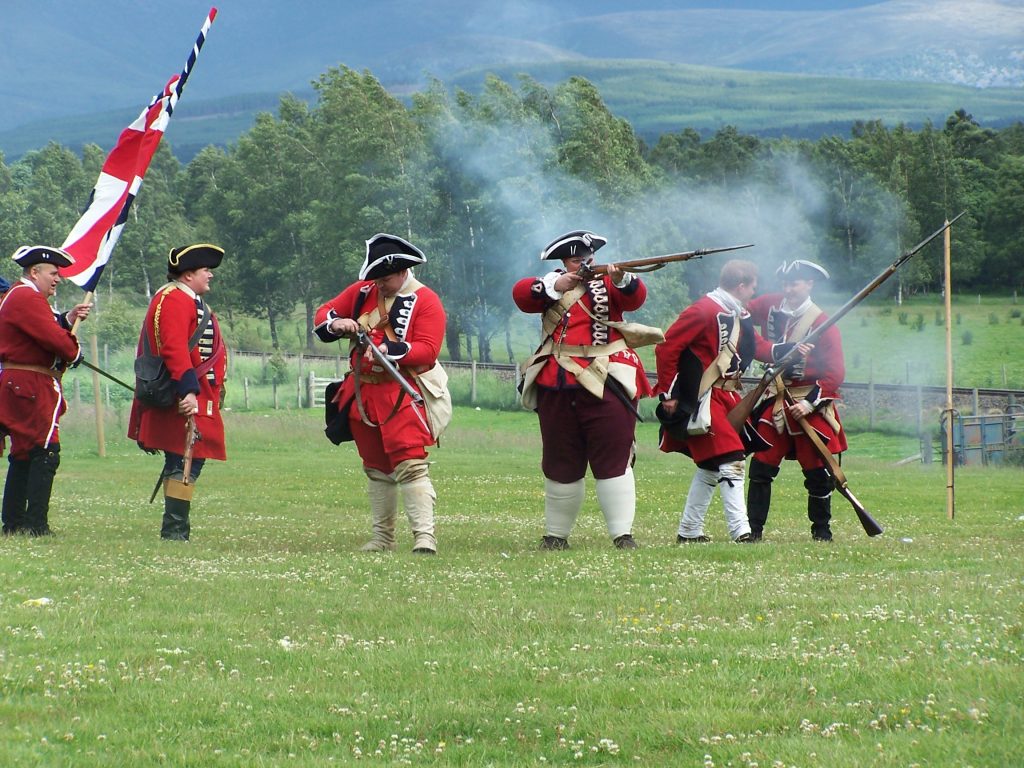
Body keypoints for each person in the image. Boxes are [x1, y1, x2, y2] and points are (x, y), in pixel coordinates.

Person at [513, 230, 657, 550]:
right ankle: (556, 535)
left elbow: (635, 297)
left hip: (607, 377)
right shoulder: (551, 284)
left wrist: (622, 280)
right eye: (577, 260)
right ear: (564, 262)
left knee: (613, 457)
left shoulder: (609, 281)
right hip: (558, 381)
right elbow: (523, 295)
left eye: (587, 259)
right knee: (560, 460)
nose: (584, 264)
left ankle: (623, 535)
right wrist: (558, 284)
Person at [314, 233, 447, 554]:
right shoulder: (363, 292)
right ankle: (383, 538)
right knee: (375, 468)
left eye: (385, 279)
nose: (380, 285)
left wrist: (389, 350)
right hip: (362, 393)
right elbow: (324, 314)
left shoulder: (426, 300)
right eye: (377, 279)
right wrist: (338, 324)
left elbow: (427, 351)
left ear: (403, 272)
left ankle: (424, 537)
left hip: (401, 392)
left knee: (410, 464)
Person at [654, 259, 771, 544]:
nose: (754, 292)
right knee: (732, 458)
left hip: (726, 396)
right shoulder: (704, 309)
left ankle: (689, 532)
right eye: (752, 286)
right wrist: (668, 394)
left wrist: (792, 350)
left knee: (709, 466)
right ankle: (742, 532)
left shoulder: (737, 312)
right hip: (703, 396)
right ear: (741, 285)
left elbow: (759, 348)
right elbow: (667, 347)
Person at [128, 244, 228, 541]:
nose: (210, 275)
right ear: (187, 275)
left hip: (197, 390)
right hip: (183, 392)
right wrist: (187, 391)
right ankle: (174, 531)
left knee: (186, 458)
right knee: (186, 458)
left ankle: (175, 529)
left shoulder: (186, 299)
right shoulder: (174, 300)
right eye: (205, 270)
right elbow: (172, 347)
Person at [745, 259, 847, 541]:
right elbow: (738, 314)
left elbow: (835, 373)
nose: (788, 289)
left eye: (795, 283)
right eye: (786, 283)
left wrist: (811, 403)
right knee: (761, 466)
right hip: (776, 399)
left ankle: (822, 531)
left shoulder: (822, 322)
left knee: (816, 470)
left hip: (807, 404)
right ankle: (753, 531)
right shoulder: (770, 305)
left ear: (809, 284)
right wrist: (765, 348)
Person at [0, 245, 92, 536]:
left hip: (22, 380)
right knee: (46, 450)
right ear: (34, 271)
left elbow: (43, 326)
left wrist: (67, 318)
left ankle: (14, 522)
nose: (58, 279)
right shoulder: (27, 296)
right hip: (32, 383)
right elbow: (53, 338)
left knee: (26, 451)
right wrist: (73, 352)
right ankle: (35, 525)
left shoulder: (22, 296)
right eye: (53, 273)